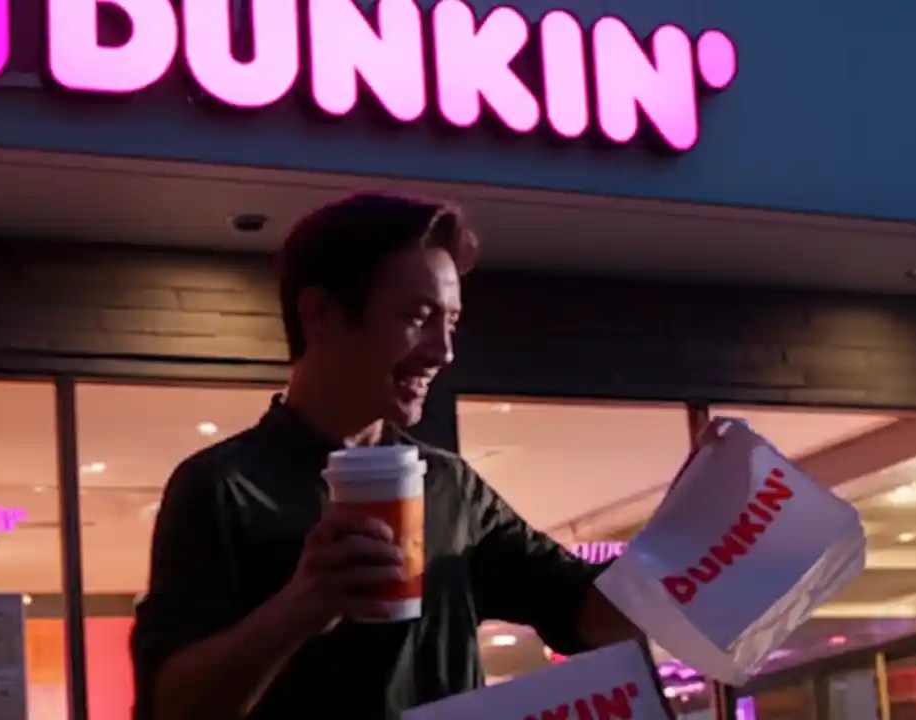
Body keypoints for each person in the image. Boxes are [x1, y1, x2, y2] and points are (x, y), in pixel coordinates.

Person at [130, 193, 641, 720]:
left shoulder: (448, 484)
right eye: (418, 316)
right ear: (321, 314)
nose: (443, 350)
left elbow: (594, 615)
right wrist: (302, 605)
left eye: (452, 321)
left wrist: (703, 533)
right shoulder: (223, 486)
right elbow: (167, 708)